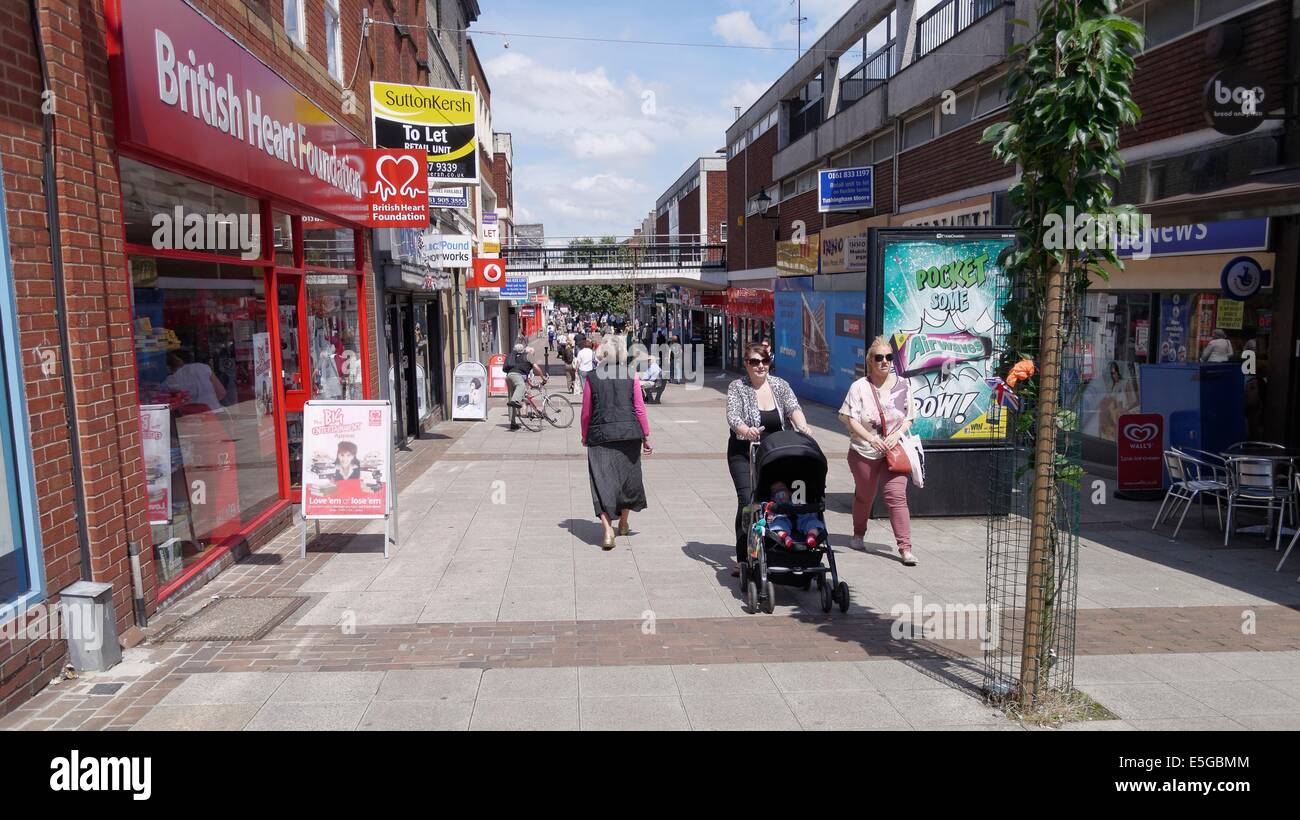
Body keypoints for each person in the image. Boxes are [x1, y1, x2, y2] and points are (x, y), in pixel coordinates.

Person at [725, 341, 811, 575]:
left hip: (775, 454)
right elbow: (733, 416)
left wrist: (802, 426)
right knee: (747, 502)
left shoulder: (780, 385)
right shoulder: (737, 387)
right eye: (754, 362)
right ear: (746, 364)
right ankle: (742, 556)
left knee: (780, 499)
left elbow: (793, 407)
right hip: (745, 452)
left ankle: (778, 544)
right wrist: (746, 430)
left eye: (764, 361)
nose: (760, 366)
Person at [838, 336, 917, 566]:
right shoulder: (859, 387)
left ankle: (905, 548)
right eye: (879, 358)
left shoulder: (903, 385)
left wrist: (895, 435)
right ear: (870, 361)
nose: (885, 362)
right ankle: (858, 533)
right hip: (864, 451)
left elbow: (909, 417)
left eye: (889, 357)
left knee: (897, 497)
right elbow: (851, 419)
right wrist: (871, 439)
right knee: (865, 495)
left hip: (894, 452)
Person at [582, 337, 652, 550]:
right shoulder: (631, 376)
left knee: (601, 483)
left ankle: (607, 531)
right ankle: (623, 523)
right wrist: (645, 435)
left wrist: (585, 435)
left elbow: (586, 412)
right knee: (627, 481)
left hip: (600, 435)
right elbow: (639, 408)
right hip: (629, 434)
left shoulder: (592, 378)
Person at [764, 480, 825, 550]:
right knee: (776, 524)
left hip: (802, 519)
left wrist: (803, 506)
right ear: (772, 497)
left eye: (782, 489)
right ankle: (786, 538)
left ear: (790, 493)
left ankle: (811, 537)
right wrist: (770, 515)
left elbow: (810, 511)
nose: (780, 492)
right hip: (783, 520)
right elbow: (768, 511)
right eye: (776, 491)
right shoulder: (773, 505)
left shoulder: (797, 500)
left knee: (812, 523)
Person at [504, 343, 546, 430]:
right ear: (524, 350)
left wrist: (531, 385)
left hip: (509, 376)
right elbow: (536, 367)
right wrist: (543, 377)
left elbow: (522, 372)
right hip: (516, 376)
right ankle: (515, 401)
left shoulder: (515, 357)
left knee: (511, 398)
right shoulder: (528, 356)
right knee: (521, 387)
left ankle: (513, 422)